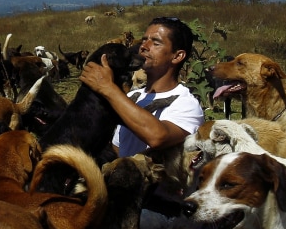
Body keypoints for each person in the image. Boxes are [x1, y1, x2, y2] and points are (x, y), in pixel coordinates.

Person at [80, 16, 205, 158]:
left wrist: (108, 88)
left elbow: (158, 137)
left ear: (177, 56)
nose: (143, 46)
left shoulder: (186, 104)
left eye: (156, 43)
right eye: (144, 40)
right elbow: (118, 149)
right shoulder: (131, 97)